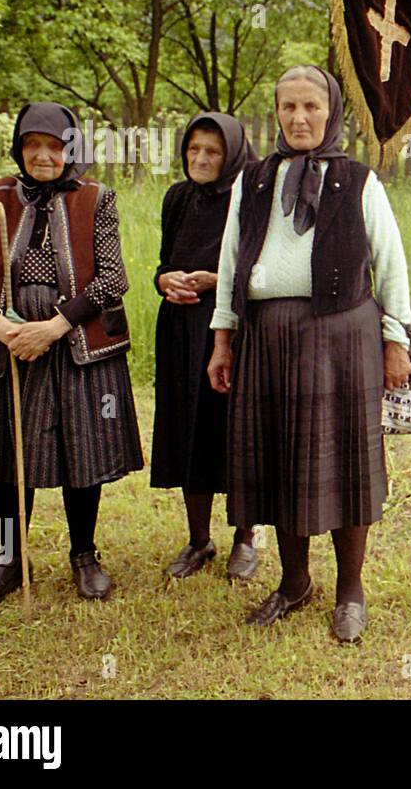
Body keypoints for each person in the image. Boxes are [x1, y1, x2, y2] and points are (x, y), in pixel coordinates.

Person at [207, 64, 411, 644]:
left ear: (331, 113)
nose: (299, 118)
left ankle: (351, 590)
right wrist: (224, 338)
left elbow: (391, 262)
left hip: (342, 334)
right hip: (267, 335)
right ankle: (294, 581)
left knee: (346, 464)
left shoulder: (360, 180)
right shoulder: (251, 181)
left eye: (311, 108)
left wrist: (395, 339)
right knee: (277, 461)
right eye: (288, 107)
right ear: (275, 113)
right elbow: (230, 263)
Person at [0, 101, 144, 604]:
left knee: (82, 448)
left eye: (54, 146)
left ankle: (84, 554)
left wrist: (52, 327)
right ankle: (9, 559)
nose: (43, 155)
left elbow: (113, 278)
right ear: (19, 148)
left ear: (70, 149)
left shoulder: (98, 199)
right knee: (8, 452)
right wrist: (4, 328)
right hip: (7, 343)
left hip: (71, 340)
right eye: (32, 145)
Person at [153, 112, 259, 581]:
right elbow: (163, 262)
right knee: (186, 428)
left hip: (232, 328)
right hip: (180, 325)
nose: (200, 158)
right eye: (194, 149)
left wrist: (220, 282)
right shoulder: (177, 198)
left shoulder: (250, 198)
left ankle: (245, 538)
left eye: (212, 151)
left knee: (235, 433)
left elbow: (260, 269)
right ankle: (199, 540)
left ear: (232, 154)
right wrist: (164, 280)